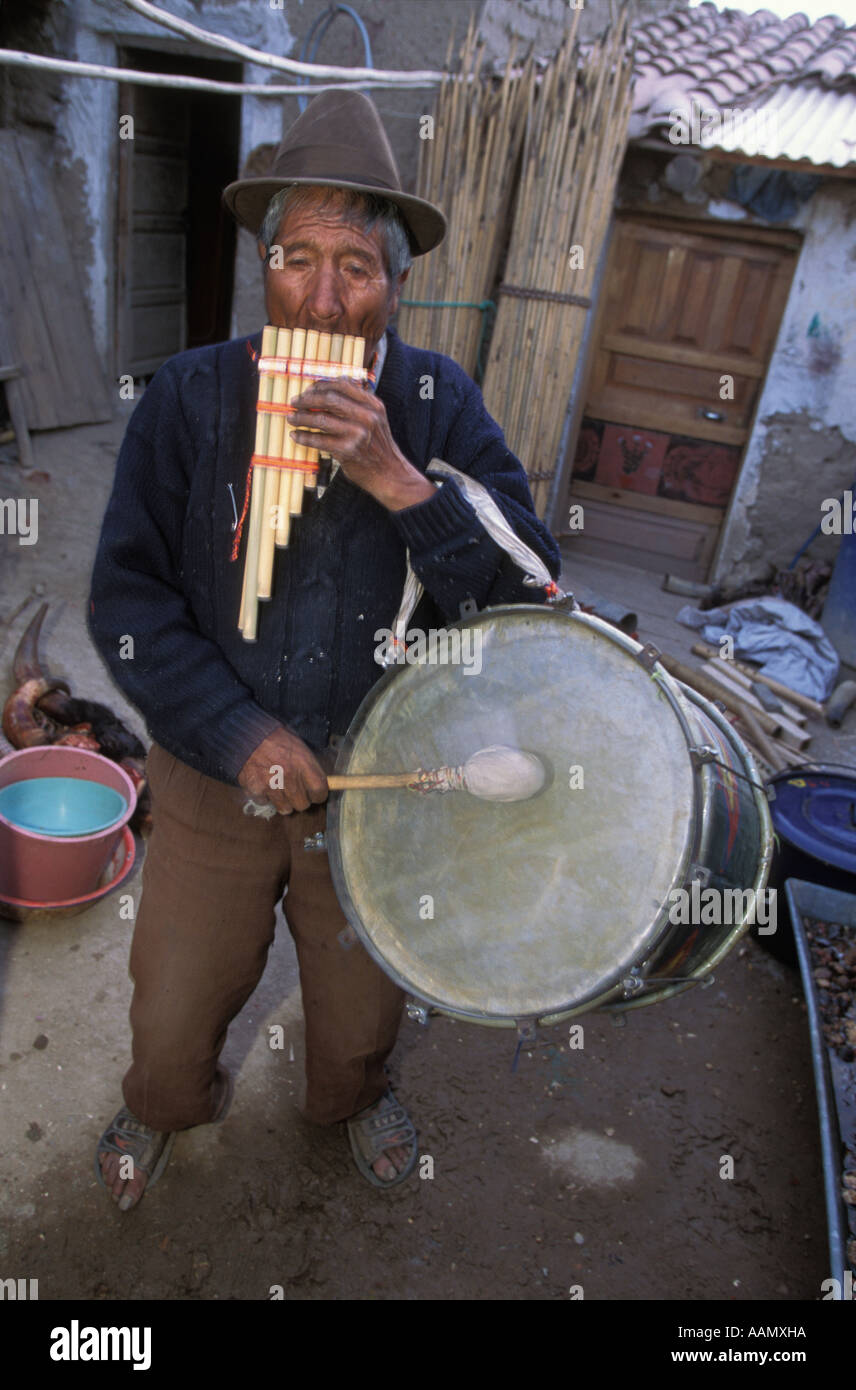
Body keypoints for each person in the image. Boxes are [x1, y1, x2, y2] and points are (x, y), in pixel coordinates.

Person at [89, 89, 561, 1209]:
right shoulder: (191, 396)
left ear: (398, 283)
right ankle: (163, 1102)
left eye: (357, 265)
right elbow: (125, 598)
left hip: (381, 782)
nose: (324, 293)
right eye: (296, 258)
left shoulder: (438, 400)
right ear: (265, 265)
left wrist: (403, 483)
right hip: (216, 778)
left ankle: (348, 1096)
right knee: (173, 1001)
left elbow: (529, 590)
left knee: (361, 1009)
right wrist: (234, 729)